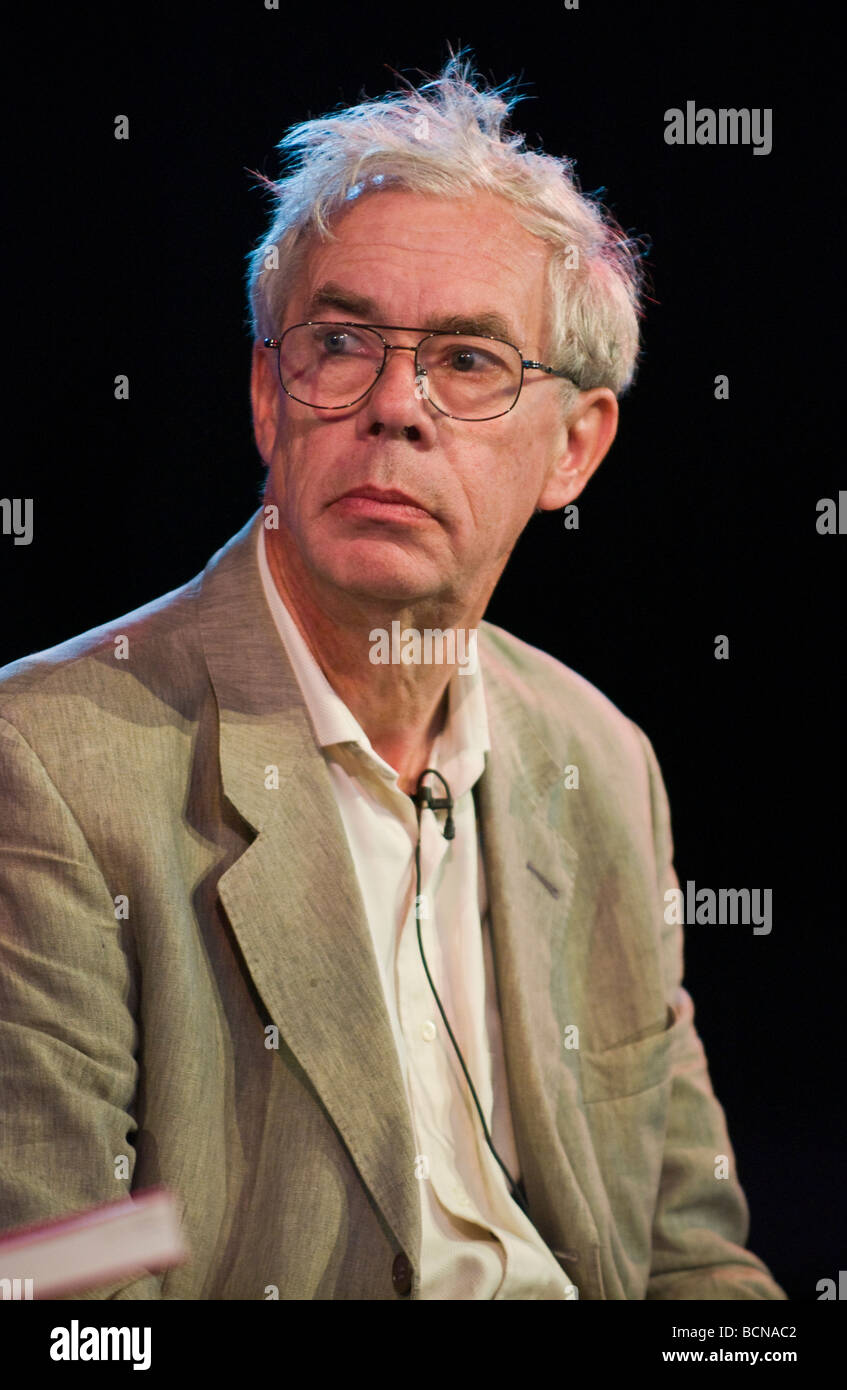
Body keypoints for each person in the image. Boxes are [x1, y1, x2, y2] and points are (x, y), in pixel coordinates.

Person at [0, 53, 785, 1300]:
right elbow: (59, 1286)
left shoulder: (601, 760)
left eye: (468, 361)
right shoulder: (49, 761)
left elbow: (687, 1252)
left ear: (573, 447)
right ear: (270, 396)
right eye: (341, 343)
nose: (395, 407)